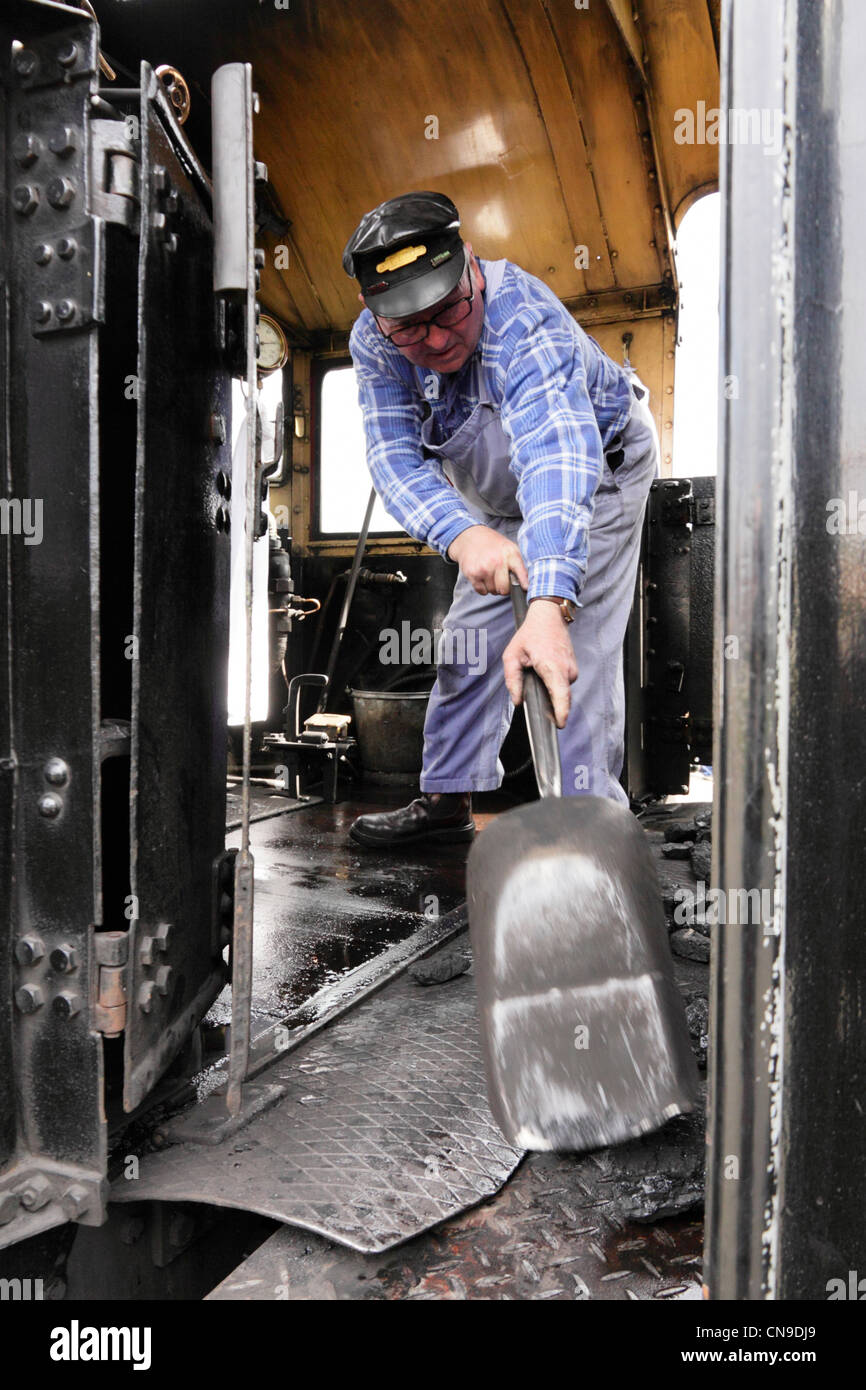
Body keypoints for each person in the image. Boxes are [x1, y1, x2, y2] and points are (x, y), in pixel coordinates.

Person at [341, 191, 659, 848]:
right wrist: (464, 534)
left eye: (449, 311)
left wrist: (546, 600)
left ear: (473, 272)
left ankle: (591, 837)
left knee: (568, 655)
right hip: (494, 505)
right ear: (379, 320)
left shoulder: (524, 319)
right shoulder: (375, 343)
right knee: (464, 647)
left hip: (596, 474)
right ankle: (446, 802)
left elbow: (556, 453)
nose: (433, 337)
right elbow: (393, 457)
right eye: (409, 327)